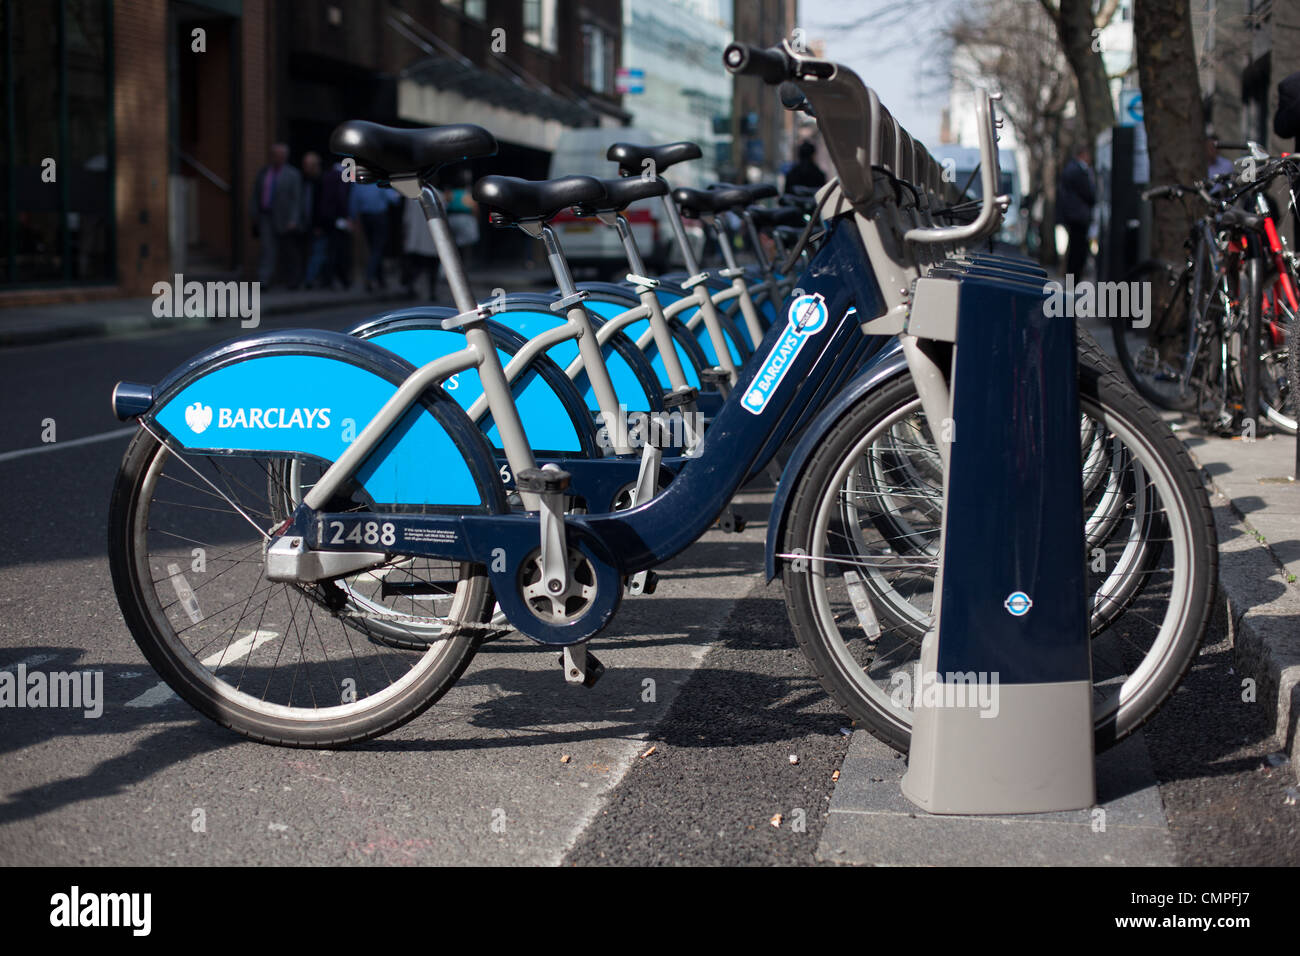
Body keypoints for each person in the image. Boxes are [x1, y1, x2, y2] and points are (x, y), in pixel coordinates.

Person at [249, 143, 303, 288]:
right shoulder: (264, 172)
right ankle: (264, 280)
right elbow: (256, 194)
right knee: (267, 249)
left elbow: (296, 199)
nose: (277, 158)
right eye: (275, 155)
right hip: (266, 215)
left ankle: (293, 280)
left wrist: (293, 219)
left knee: (288, 252)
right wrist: (254, 213)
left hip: (285, 218)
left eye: (280, 155)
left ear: (285, 157)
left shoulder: (293, 174)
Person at [349, 180, 400, 292]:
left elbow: (354, 200)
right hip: (379, 216)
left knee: (374, 248)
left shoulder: (359, 182)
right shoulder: (379, 181)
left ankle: (380, 280)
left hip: (365, 217)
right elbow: (393, 199)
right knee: (377, 248)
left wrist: (353, 217)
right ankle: (369, 276)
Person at [1056, 144, 1096, 280]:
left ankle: (1071, 277)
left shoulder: (1070, 169)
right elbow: (1089, 194)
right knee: (1077, 250)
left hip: (1073, 216)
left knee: (1074, 249)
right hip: (1078, 216)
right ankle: (1074, 279)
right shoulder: (1079, 171)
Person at [401, 195, 440, 299]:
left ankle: (412, 288)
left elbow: (407, 218)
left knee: (418, 266)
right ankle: (432, 292)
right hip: (431, 238)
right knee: (431, 268)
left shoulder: (411, 197)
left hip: (417, 239)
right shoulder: (436, 194)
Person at [298, 151, 326, 289]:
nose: (305, 168)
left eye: (308, 165)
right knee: (310, 252)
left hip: (318, 223)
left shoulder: (321, 181)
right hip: (305, 222)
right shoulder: (303, 180)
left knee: (318, 252)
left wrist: (319, 224)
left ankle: (310, 279)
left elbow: (322, 205)